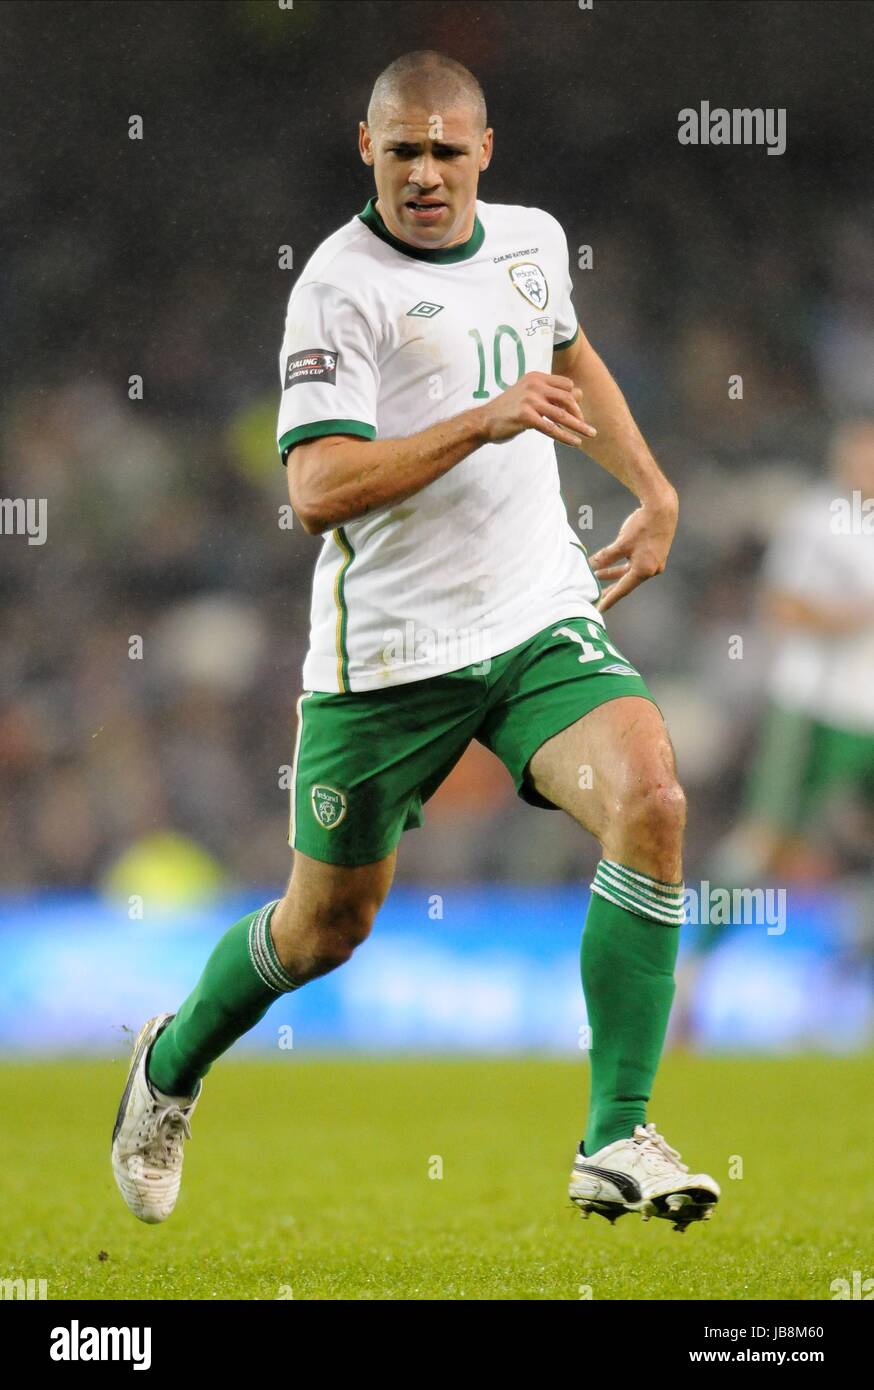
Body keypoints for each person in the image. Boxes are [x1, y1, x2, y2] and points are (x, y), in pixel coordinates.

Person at [112, 50, 719, 1234]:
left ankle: (614, 1133)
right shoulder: (338, 288)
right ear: (367, 151)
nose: (427, 175)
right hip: (387, 658)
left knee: (651, 794)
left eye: (448, 152)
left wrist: (651, 486)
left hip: (536, 616)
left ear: (485, 151)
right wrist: (481, 419)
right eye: (405, 153)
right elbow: (318, 486)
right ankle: (169, 1061)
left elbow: (562, 349)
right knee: (322, 927)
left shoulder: (533, 240)